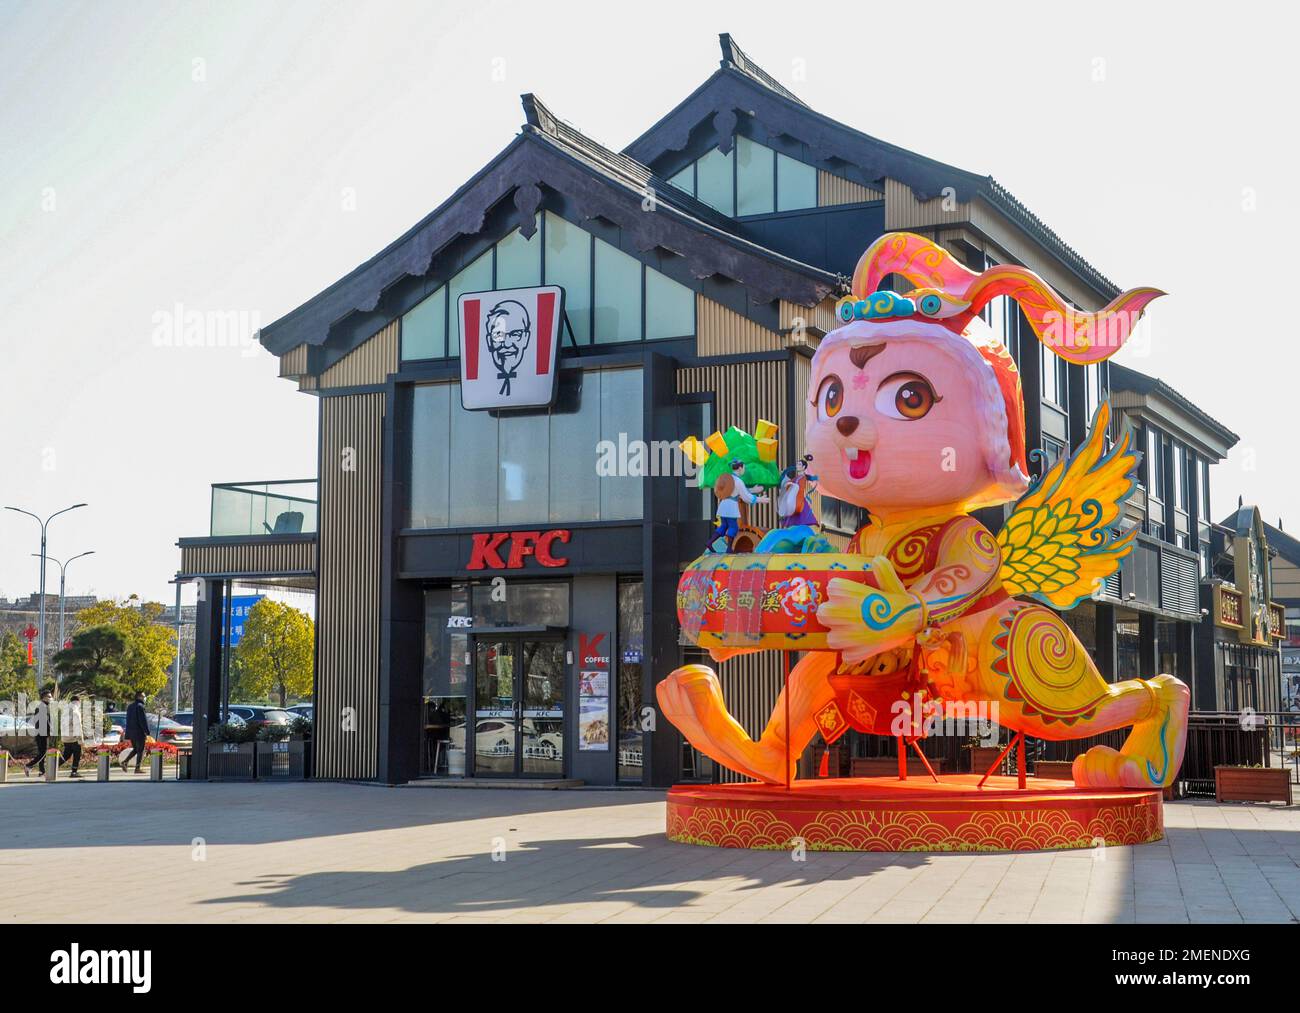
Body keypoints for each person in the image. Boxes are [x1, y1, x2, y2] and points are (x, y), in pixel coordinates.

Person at [710, 459, 768, 552]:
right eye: (744, 467)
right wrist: (760, 499)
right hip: (731, 507)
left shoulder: (729, 478)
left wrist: (753, 489)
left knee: (724, 526)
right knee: (733, 527)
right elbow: (745, 496)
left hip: (723, 505)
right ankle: (729, 549)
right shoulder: (738, 481)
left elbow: (738, 491)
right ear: (740, 468)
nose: (744, 469)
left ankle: (709, 542)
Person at [22, 689, 53, 778]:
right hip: (42, 734)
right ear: (44, 698)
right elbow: (43, 722)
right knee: (43, 753)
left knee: (42, 752)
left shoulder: (43, 706)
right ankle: (28, 766)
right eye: (49, 697)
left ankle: (41, 771)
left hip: (41, 733)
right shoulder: (42, 707)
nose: (51, 698)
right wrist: (48, 732)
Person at [119, 692, 149, 774]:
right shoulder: (140, 707)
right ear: (139, 697)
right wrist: (146, 731)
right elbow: (143, 721)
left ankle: (125, 762)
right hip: (139, 732)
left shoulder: (130, 706)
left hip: (131, 732)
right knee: (141, 750)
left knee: (136, 749)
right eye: (144, 696)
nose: (145, 698)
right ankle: (137, 768)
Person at [60, 694, 84, 778]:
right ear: (78, 701)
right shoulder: (75, 710)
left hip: (66, 737)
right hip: (74, 738)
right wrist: (81, 740)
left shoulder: (65, 710)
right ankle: (74, 772)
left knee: (66, 755)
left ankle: (52, 767)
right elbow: (78, 726)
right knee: (77, 754)